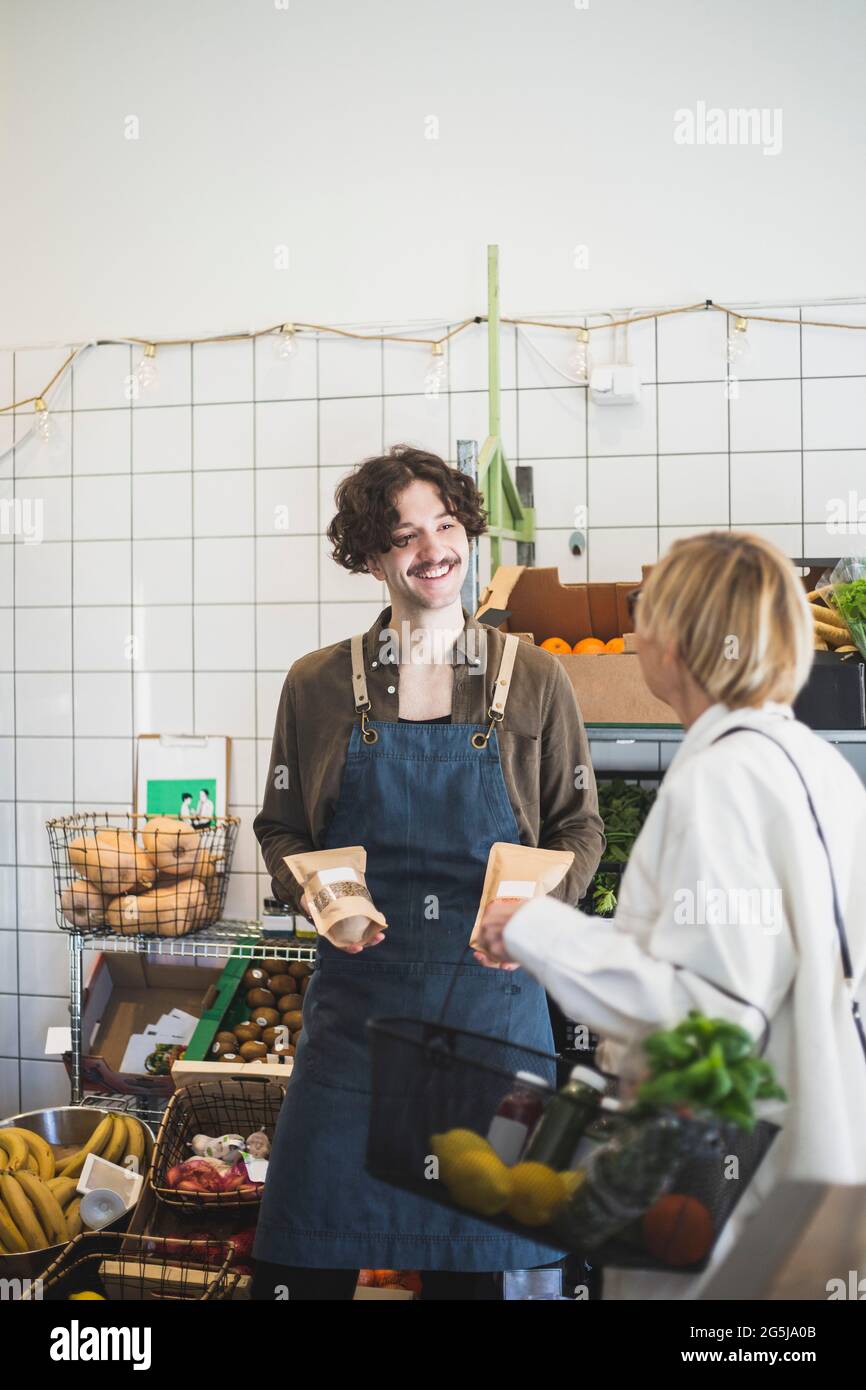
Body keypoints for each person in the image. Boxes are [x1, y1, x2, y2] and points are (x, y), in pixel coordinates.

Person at [251, 444, 605, 1300]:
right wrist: (326, 897)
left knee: (483, 1280)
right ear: (372, 557)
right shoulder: (318, 685)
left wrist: (535, 912)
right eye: (404, 535)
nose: (432, 550)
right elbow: (281, 827)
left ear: (467, 534)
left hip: (493, 1022)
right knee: (296, 1268)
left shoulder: (535, 679)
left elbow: (579, 828)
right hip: (354, 1033)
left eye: (445, 526)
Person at [476, 531, 866, 1299]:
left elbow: (705, 1008)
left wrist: (531, 925)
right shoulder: (821, 768)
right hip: (824, 1162)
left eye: (644, 617)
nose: (633, 635)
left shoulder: (721, 782)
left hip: (740, 1196)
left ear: (682, 641)